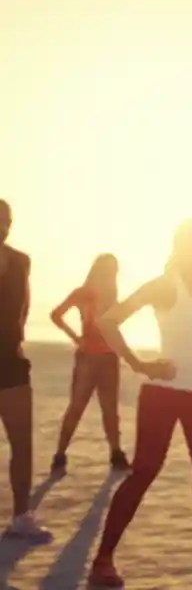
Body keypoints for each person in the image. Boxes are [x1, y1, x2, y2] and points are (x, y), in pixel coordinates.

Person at [89, 219, 192, 588]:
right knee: (144, 472)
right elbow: (108, 321)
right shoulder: (163, 286)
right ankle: (103, 558)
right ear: (181, 245)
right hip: (165, 394)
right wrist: (139, 363)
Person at [49, 253, 131, 473]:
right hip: (88, 358)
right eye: (109, 270)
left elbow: (114, 324)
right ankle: (60, 454)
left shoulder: (112, 294)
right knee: (77, 406)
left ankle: (116, 453)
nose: (112, 275)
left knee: (110, 410)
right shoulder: (83, 293)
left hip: (109, 358)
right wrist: (76, 338)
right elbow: (56, 315)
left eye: (114, 271)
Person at [0, 200, 52, 542]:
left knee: (22, 443)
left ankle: (21, 517)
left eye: (6, 220)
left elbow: (25, 305)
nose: (4, 225)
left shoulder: (21, 261)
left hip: (11, 362)